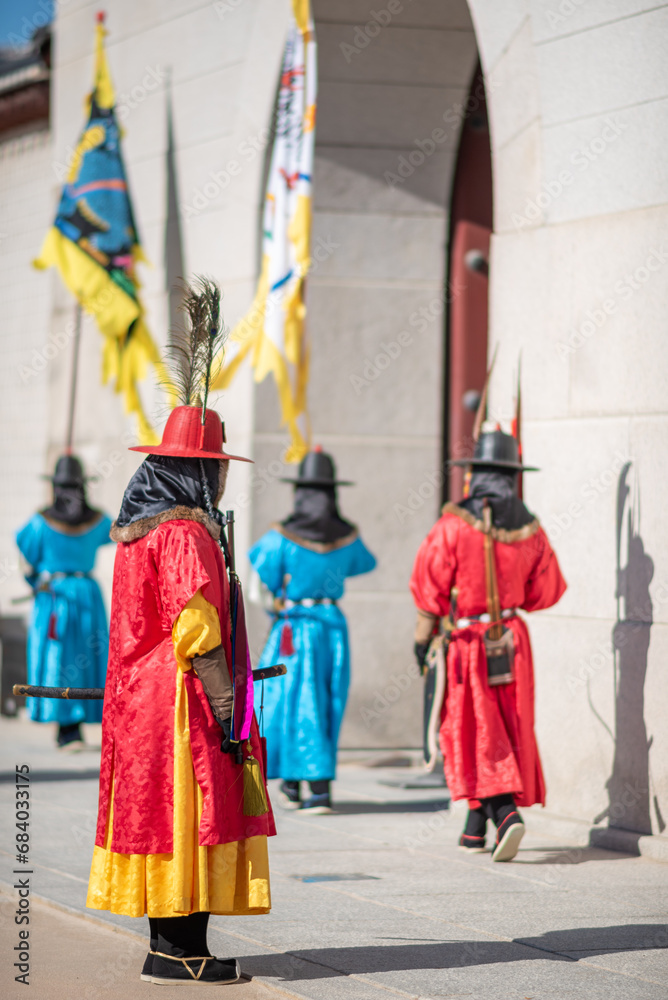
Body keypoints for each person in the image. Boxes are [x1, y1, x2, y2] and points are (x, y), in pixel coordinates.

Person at [86, 279, 275, 985]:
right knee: (189, 818)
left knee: (157, 818)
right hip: (180, 701)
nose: (221, 487)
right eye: (216, 472)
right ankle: (183, 953)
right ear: (199, 476)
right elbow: (197, 629)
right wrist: (230, 709)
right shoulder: (188, 533)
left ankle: (168, 945)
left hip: (138, 697)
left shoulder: (139, 532)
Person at [410, 427, 566, 862]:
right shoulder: (531, 528)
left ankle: (505, 814)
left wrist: (422, 638)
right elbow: (546, 591)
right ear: (512, 475)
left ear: (475, 472)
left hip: (469, 641)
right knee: (505, 725)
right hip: (513, 640)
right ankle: (474, 828)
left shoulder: (452, 525)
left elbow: (429, 586)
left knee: (474, 727)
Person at [249, 448, 376, 813]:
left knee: (289, 702)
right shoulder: (348, 536)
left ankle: (307, 785)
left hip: (294, 628)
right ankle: (306, 784)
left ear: (299, 491)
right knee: (325, 702)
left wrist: (276, 604)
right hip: (333, 629)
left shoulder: (281, 537)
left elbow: (260, 580)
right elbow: (363, 563)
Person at [16, 454, 112, 749]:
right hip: (84, 593)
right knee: (79, 658)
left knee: (62, 659)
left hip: (55, 594)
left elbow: (26, 563)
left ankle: (68, 726)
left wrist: (35, 583)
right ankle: (71, 724)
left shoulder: (39, 523)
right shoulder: (98, 521)